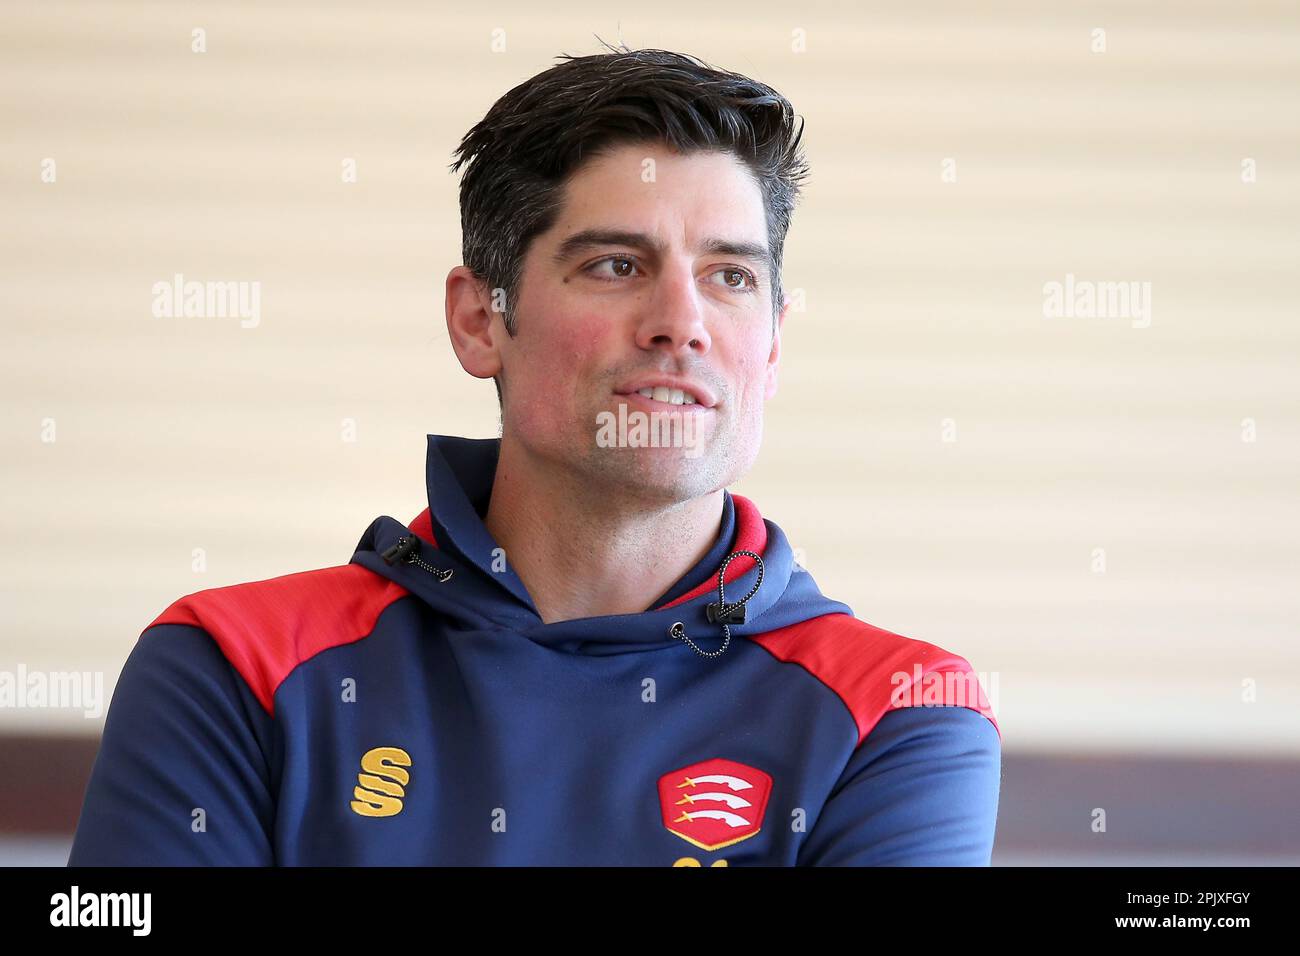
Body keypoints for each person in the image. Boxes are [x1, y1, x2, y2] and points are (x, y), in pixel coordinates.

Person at [68, 43, 1000, 866]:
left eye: (730, 276)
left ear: (773, 345)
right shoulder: (234, 666)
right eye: (616, 265)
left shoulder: (902, 714)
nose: (682, 324)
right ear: (481, 321)